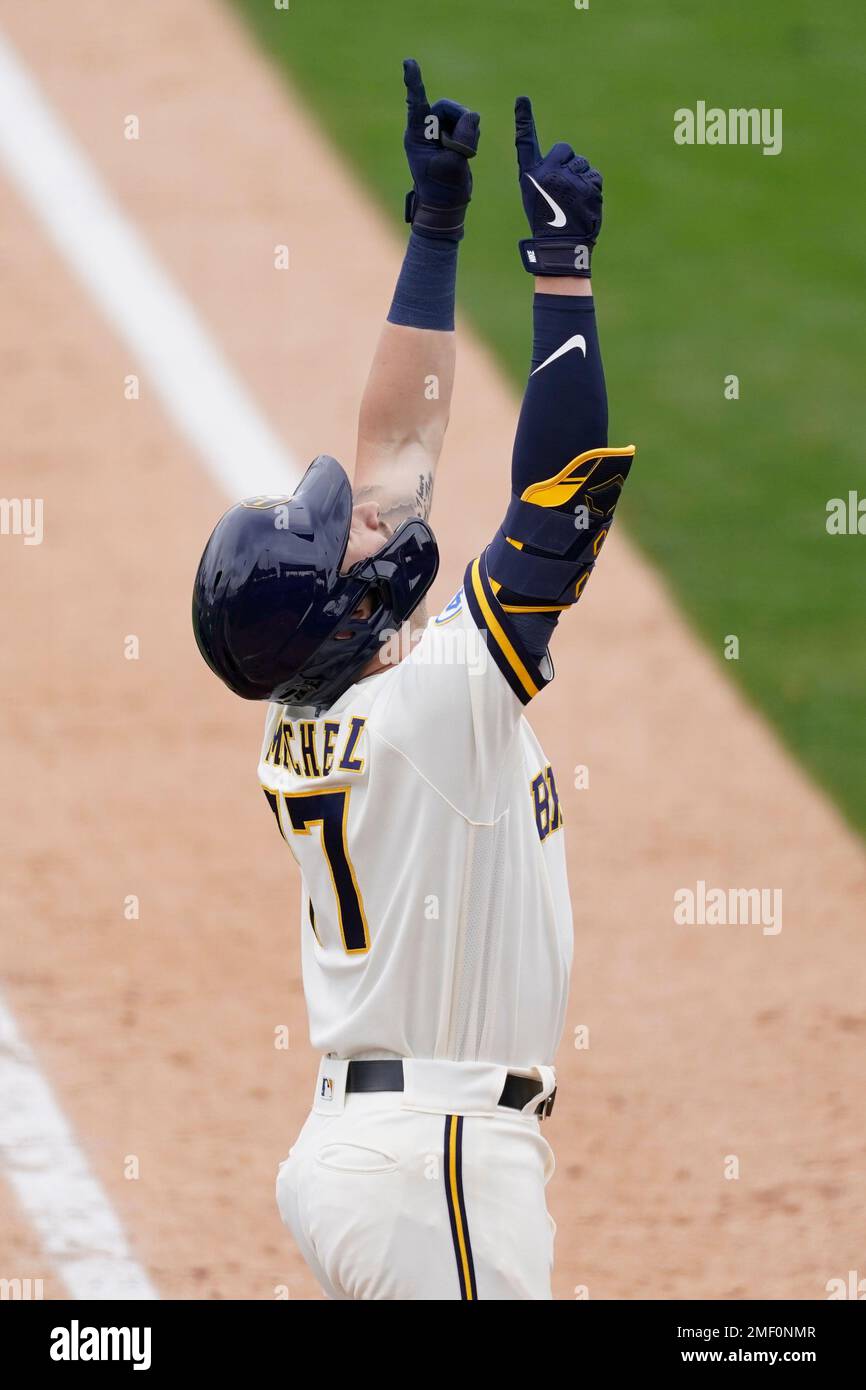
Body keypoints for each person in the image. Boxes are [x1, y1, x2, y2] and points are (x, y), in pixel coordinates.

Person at [192, 58, 635, 1301]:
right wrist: (561, 279)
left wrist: (434, 229)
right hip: (433, 1163)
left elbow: (394, 456)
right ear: (338, 609)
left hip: (381, 1152)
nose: (373, 525)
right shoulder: (431, 707)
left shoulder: (329, 705)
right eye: (348, 544)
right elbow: (555, 515)